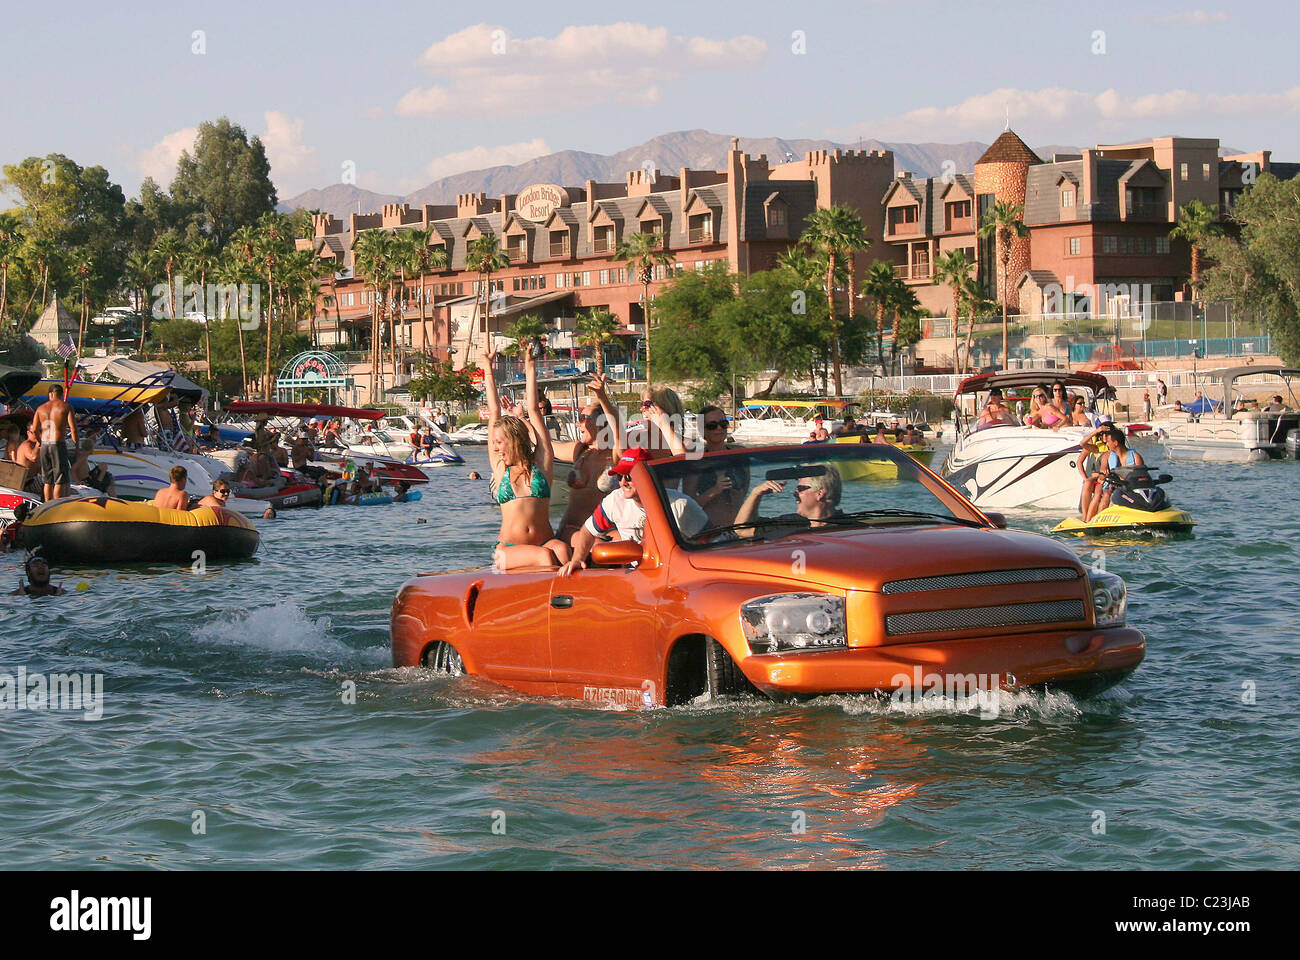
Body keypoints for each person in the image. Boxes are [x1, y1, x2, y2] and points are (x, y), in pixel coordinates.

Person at [482, 341, 570, 571]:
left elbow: (533, 410)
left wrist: (531, 365)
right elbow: (493, 412)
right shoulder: (501, 468)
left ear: (514, 441)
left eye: (500, 442)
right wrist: (487, 368)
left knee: (561, 549)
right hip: (509, 549)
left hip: (545, 541)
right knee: (544, 557)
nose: (496, 447)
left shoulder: (541, 463)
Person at [557, 447, 708, 576]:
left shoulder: (680, 504)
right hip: (635, 576)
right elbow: (588, 531)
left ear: (649, 476)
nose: (622, 482)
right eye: (619, 476)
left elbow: (712, 541)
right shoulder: (615, 500)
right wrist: (577, 560)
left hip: (675, 574)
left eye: (629, 476)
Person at [553, 379, 618, 544]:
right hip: (572, 531)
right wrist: (518, 417)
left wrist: (601, 396)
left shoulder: (617, 454)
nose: (577, 423)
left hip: (604, 534)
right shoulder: (579, 451)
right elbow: (545, 445)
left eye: (583, 418)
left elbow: (618, 429)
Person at [733, 463, 843, 538]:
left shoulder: (848, 528)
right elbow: (741, 530)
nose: (795, 493)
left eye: (800, 489)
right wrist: (755, 494)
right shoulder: (791, 523)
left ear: (820, 493)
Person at [682, 405, 748, 530]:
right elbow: (688, 504)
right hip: (710, 530)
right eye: (712, 426)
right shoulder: (696, 460)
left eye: (723, 424)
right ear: (703, 430)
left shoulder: (740, 454)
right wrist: (715, 490)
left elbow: (744, 490)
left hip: (741, 527)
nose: (719, 428)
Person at [1083, 426, 1145, 522]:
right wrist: (1103, 473)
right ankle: (1097, 521)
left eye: (1108, 442)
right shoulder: (1107, 456)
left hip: (1131, 487)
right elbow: (1103, 470)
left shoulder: (1135, 457)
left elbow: (1142, 476)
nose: (1107, 444)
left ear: (1115, 443)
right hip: (1112, 486)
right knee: (1106, 494)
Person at [29, 384, 78, 501]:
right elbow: (73, 428)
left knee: (47, 480)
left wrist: (40, 442)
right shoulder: (66, 407)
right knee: (59, 478)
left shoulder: (40, 409)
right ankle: (56, 505)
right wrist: (76, 445)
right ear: (61, 395)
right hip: (58, 444)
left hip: (45, 445)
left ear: (50, 394)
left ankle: (47, 505)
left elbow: (34, 429)